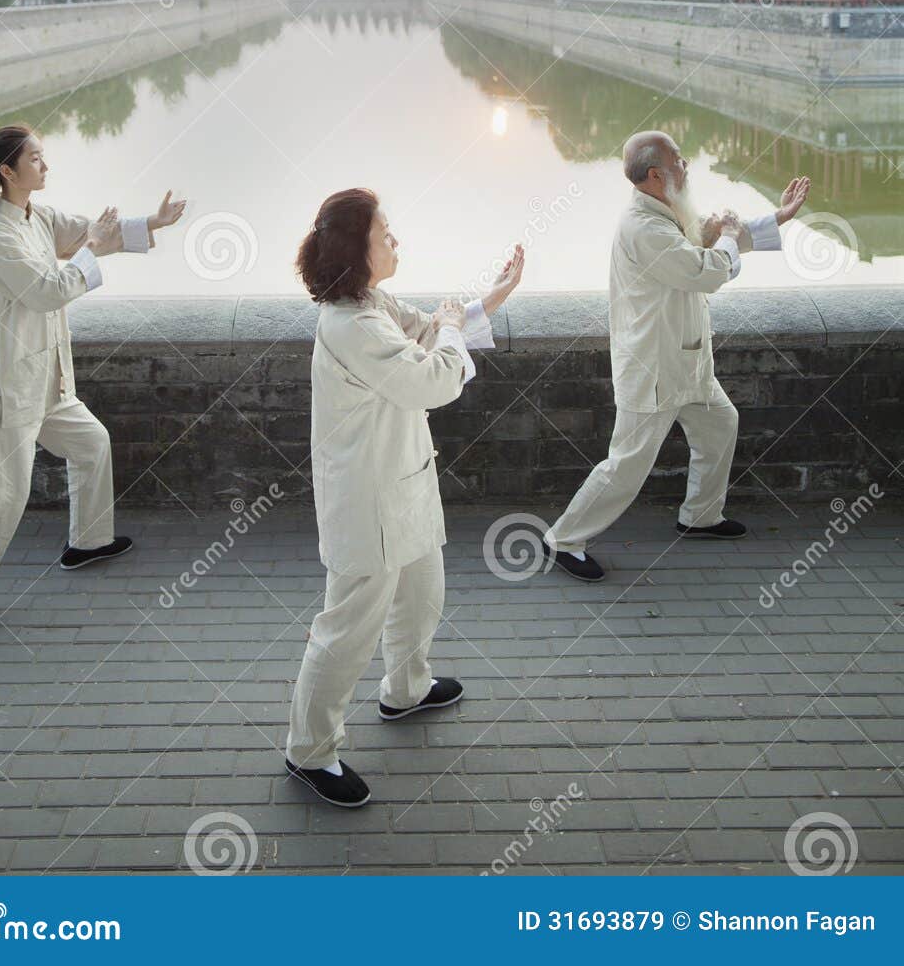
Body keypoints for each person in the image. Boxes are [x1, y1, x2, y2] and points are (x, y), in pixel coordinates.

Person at [284, 186, 524, 806]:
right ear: (356, 250)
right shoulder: (352, 324)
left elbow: (430, 328)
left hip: (403, 480)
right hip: (367, 502)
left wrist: (492, 297)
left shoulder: (371, 300)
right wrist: (450, 330)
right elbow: (432, 379)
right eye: (384, 234)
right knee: (346, 629)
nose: (396, 241)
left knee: (421, 594)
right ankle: (309, 750)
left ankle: (406, 689)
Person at [0, 123, 185, 632]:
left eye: (44, 156)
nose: (46, 166)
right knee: (6, 498)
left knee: (92, 443)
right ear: (7, 171)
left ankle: (88, 542)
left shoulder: (38, 217)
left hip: (46, 383)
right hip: (8, 393)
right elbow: (48, 291)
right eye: (36, 159)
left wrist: (154, 222)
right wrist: (92, 246)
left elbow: (92, 232)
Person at [542, 131, 810, 583]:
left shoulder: (663, 210)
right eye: (678, 160)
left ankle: (700, 516)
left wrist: (776, 218)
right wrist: (728, 236)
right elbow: (706, 271)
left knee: (720, 424)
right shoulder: (644, 228)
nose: (686, 166)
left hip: (686, 361)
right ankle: (562, 539)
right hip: (655, 369)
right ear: (655, 174)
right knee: (627, 464)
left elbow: (703, 233)